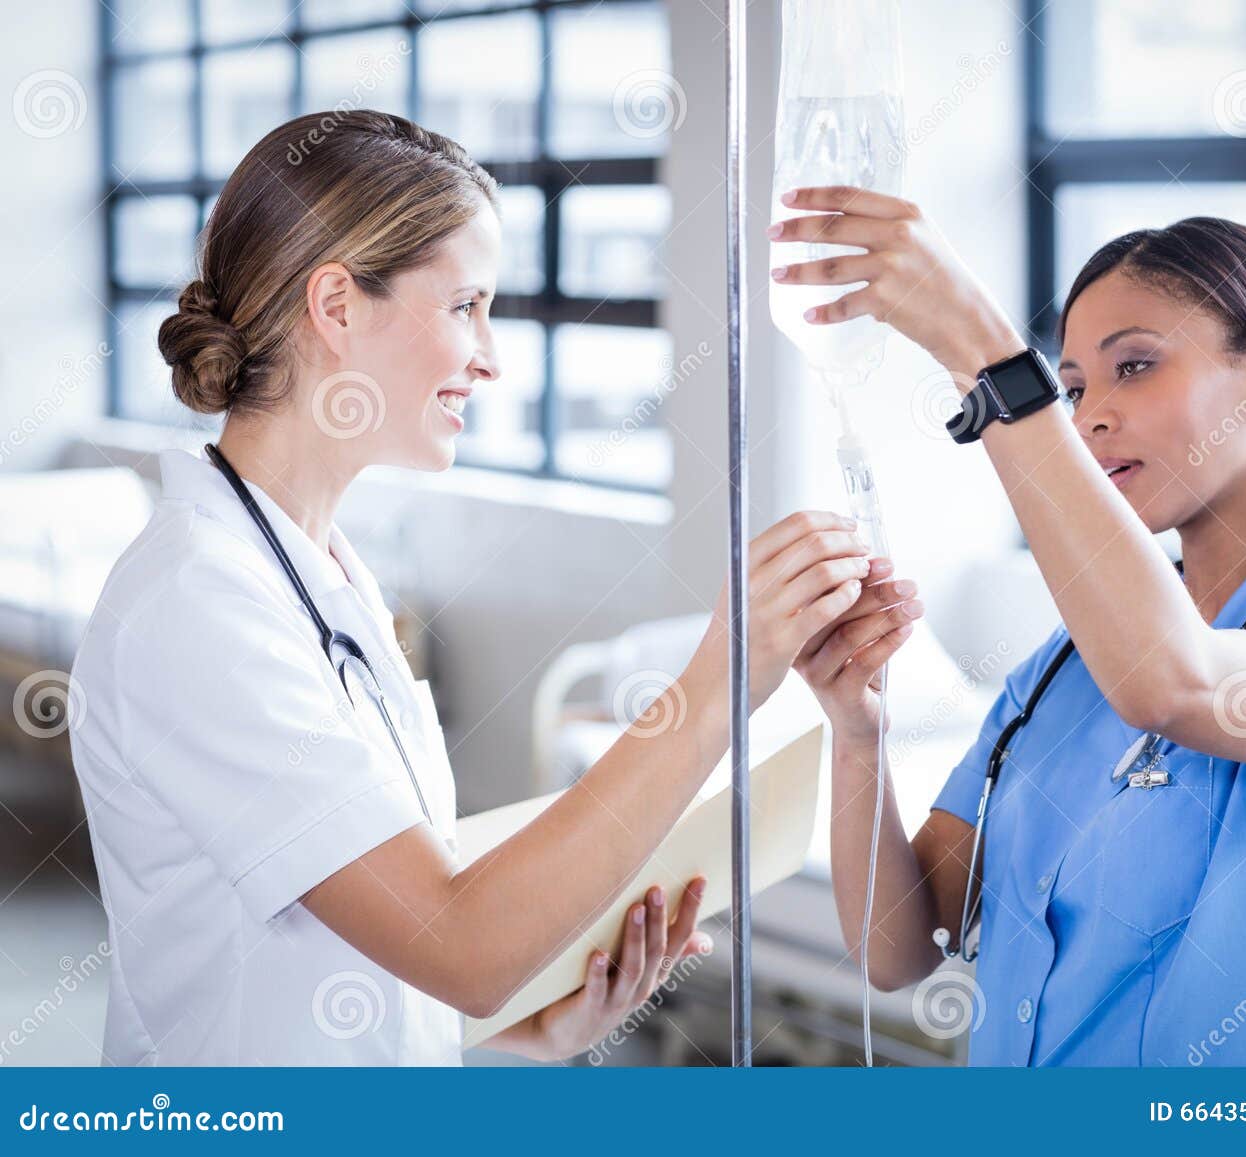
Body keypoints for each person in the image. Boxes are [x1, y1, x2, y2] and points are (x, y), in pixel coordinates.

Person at [66, 112, 883, 1066]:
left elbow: (362, 957)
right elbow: (456, 943)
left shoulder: (321, 573)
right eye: (465, 307)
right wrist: (721, 681)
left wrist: (535, 1035)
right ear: (335, 306)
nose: (491, 355)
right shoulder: (198, 604)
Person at [780, 190, 1246, 1065]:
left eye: (1135, 365)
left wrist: (992, 358)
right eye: (1072, 387)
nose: (1089, 415)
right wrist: (858, 732)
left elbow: (1176, 683)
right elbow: (897, 951)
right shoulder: (1065, 666)